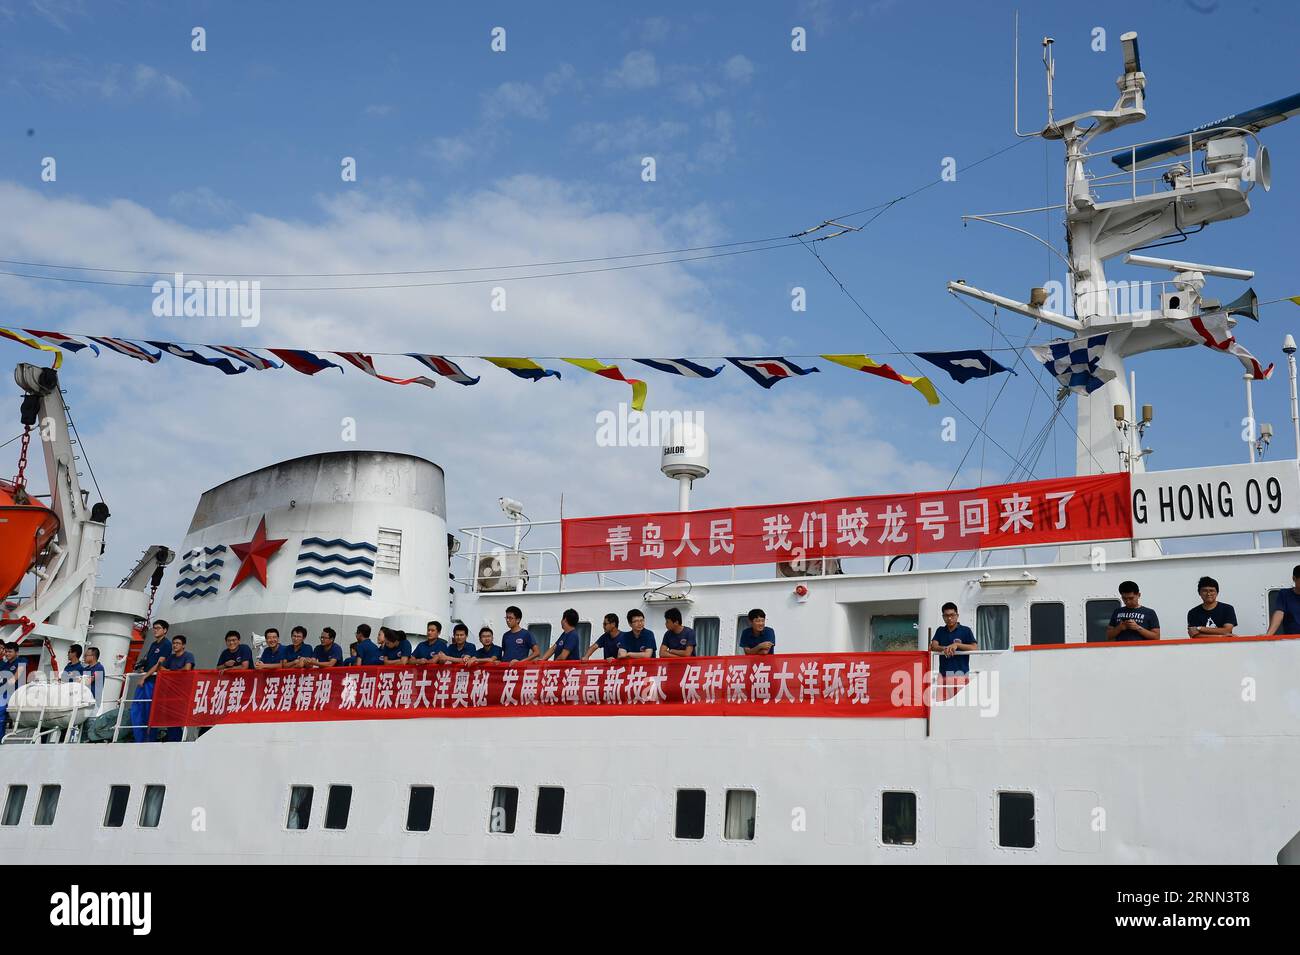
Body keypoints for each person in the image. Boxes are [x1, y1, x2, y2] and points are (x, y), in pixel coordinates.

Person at [130, 619, 171, 743]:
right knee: (137, 709)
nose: (155, 630)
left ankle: (149, 739)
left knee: (149, 710)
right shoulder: (153, 644)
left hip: (153, 681)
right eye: (154, 628)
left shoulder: (166, 644)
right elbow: (148, 661)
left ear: (165, 630)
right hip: (147, 680)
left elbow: (159, 664)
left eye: (158, 628)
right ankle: (139, 738)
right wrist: (142, 668)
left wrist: (144, 677)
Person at [158, 635, 196, 743]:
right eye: (174, 643)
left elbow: (187, 669)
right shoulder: (171, 657)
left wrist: (170, 672)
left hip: (183, 691)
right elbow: (160, 668)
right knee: (170, 715)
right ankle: (173, 738)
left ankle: (178, 738)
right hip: (171, 691)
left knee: (178, 716)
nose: (175, 645)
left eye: (178, 643)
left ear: (183, 645)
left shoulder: (188, 655)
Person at [929, 603, 978, 677]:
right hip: (943, 675)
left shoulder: (965, 630)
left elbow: (974, 647)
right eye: (946, 616)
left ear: (957, 615)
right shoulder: (940, 630)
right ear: (943, 617)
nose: (949, 618)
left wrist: (957, 645)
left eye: (952, 615)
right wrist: (945, 648)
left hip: (962, 675)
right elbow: (933, 646)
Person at [1266, 564, 1300, 635]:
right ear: (1294, 578)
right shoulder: (1285, 594)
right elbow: (1279, 613)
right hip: (1292, 640)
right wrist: (1268, 635)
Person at [0, 641, 21, 731]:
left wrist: (10, 680)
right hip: (3, 691)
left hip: (14, 692)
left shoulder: (21, 661)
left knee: (1, 711)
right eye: (6, 651)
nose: (7, 654)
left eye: (10, 652)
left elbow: (19, 672)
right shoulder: (4, 665)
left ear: (16, 653)